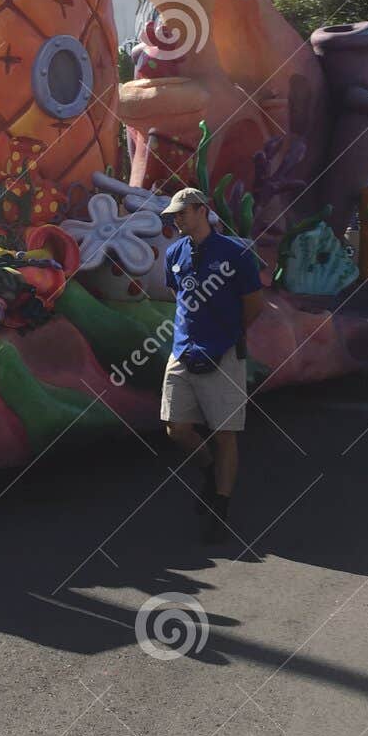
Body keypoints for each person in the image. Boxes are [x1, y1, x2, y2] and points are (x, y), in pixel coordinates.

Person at [158, 187, 264, 544]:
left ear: (202, 210)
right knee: (176, 428)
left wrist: (230, 332)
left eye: (182, 213)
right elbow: (180, 298)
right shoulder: (174, 253)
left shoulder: (235, 253)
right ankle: (207, 471)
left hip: (223, 352)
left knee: (225, 433)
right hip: (183, 350)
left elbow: (254, 303)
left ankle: (221, 504)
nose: (176, 218)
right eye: (174, 214)